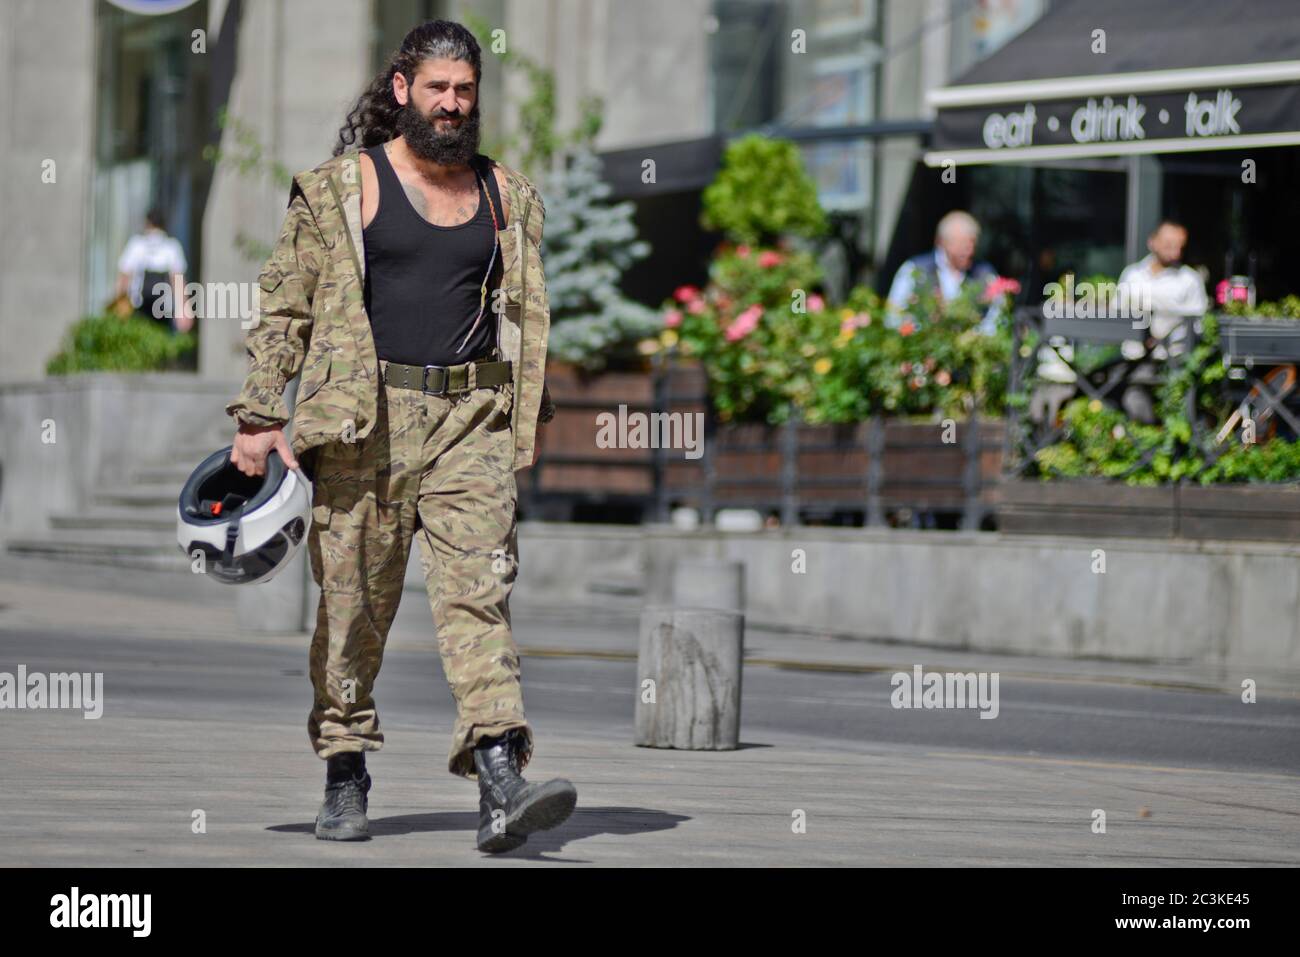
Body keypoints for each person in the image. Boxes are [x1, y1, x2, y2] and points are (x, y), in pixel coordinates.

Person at [224, 19, 572, 853]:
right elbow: (285, 305)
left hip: (470, 421)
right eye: (437, 88)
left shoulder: (508, 196)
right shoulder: (341, 190)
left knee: (479, 594)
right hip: (363, 422)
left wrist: (527, 411)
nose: (451, 104)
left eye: (465, 91)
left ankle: (500, 773)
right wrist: (261, 414)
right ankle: (345, 769)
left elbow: (524, 316)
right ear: (402, 89)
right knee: (352, 608)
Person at [1115, 220, 1208, 422]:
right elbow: (1118, 313)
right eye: (1169, 245)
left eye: (1180, 246)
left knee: (1178, 412)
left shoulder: (1190, 279)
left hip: (1174, 360)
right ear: (1152, 242)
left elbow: (1198, 324)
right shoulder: (1132, 275)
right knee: (1131, 401)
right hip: (1134, 359)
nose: (1175, 252)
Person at [886, 210, 999, 332]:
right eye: (962, 244)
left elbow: (996, 317)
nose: (969, 251)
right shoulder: (915, 269)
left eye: (972, 244)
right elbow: (893, 315)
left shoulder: (985, 273)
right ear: (942, 242)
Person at [115, 207, 192, 332]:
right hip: (163, 309)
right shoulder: (171, 247)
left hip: (138, 306)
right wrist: (184, 310)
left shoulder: (136, 245)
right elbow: (178, 281)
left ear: (147, 223)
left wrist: (119, 304)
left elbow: (124, 277)